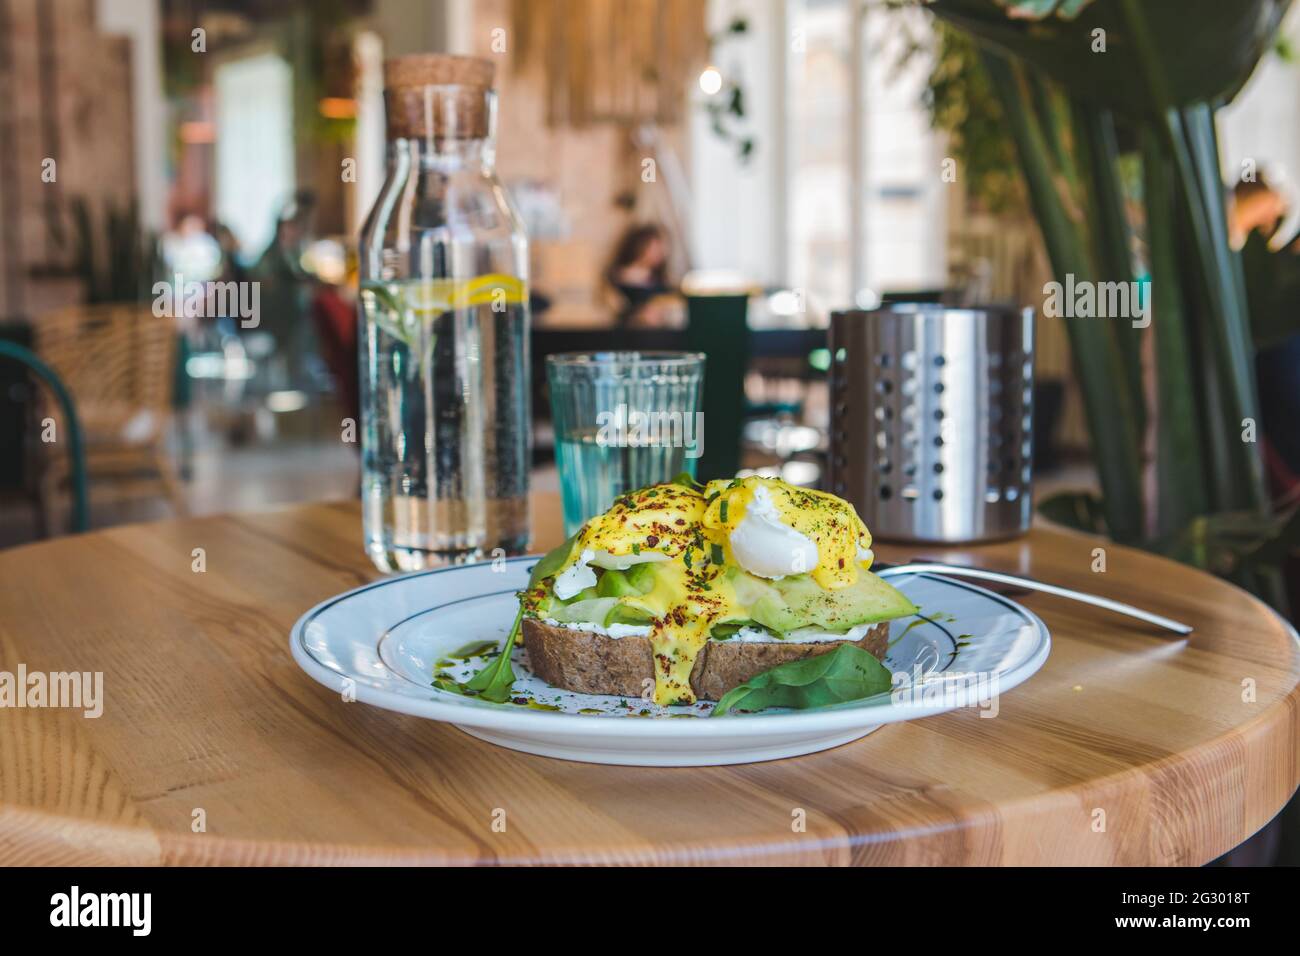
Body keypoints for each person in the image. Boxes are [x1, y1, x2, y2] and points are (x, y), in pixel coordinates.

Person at [604, 223, 677, 327]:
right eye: (656, 246)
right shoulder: (620, 277)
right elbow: (616, 306)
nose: (661, 252)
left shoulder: (659, 278)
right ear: (642, 246)